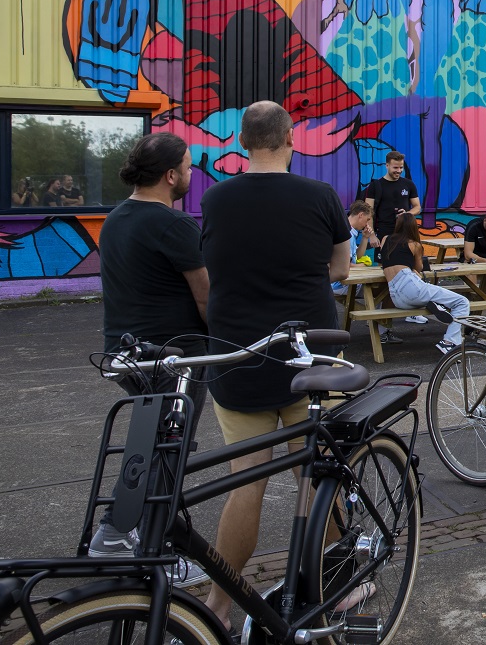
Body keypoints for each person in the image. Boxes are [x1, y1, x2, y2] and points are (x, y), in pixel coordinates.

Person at [199, 101, 350, 632]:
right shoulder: (320, 196)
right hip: (311, 353)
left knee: (247, 485)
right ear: (290, 137)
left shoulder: (216, 199)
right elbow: (340, 266)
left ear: (244, 141)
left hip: (241, 357)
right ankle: (336, 585)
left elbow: (213, 267)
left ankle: (218, 606)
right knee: (318, 473)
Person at [90, 132, 210, 586]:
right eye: (187, 165)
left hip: (126, 353)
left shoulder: (117, 217)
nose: (192, 172)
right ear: (170, 175)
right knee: (167, 453)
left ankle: (115, 535)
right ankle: (150, 551)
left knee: (147, 445)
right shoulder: (174, 224)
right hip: (174, 357)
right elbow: (205, 299)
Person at [378, 212, 471, 354]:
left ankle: (435, 303)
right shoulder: (414, 245)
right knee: (462, 302)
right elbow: (419, 268)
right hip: (410, 285)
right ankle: (449, 342)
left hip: (396, 295)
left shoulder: (385, 239)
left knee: (423, 294)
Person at [363, 151, 426, 325]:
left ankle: (411, 310)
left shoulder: (409, 184)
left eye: (401, 167)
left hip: (406, 234)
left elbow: (417, 207)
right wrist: (373, 235)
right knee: (386, 277)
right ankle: (379, 317)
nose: (398, 171)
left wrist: (407, 213)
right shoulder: (376, 185)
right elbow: (369, 211)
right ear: (387, 165)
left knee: (413, 270)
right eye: (395, 167)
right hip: (384, 235)